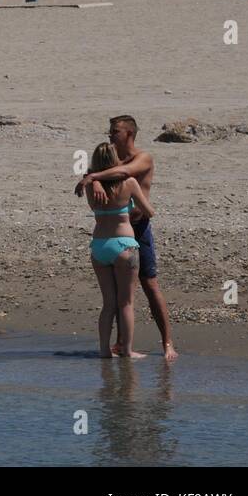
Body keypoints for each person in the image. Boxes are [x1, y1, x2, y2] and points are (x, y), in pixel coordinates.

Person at [76, 115, 178, 360]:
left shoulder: (141, 158)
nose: (110, 135)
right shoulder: (108, 161)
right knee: (122, 294)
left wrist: (94, 178)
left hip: (139, 228)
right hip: (120, 232)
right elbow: (89, 177)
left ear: (129, 134)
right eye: (110, 131)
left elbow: (123, 172)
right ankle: (122, 344)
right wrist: (93, 179)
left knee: (149, 284)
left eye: (115, 131)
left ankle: (167, 343)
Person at [85, 142, 155, 359]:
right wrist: (131, 209)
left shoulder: (90, 186)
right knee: (126, 303)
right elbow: (149, 212)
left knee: (108, 304)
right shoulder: (129, 183)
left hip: (99, 246)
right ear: (115, 162)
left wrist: (96, 181)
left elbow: (94, 208)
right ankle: (126, 350)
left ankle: (105, 350)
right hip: (124, 244)